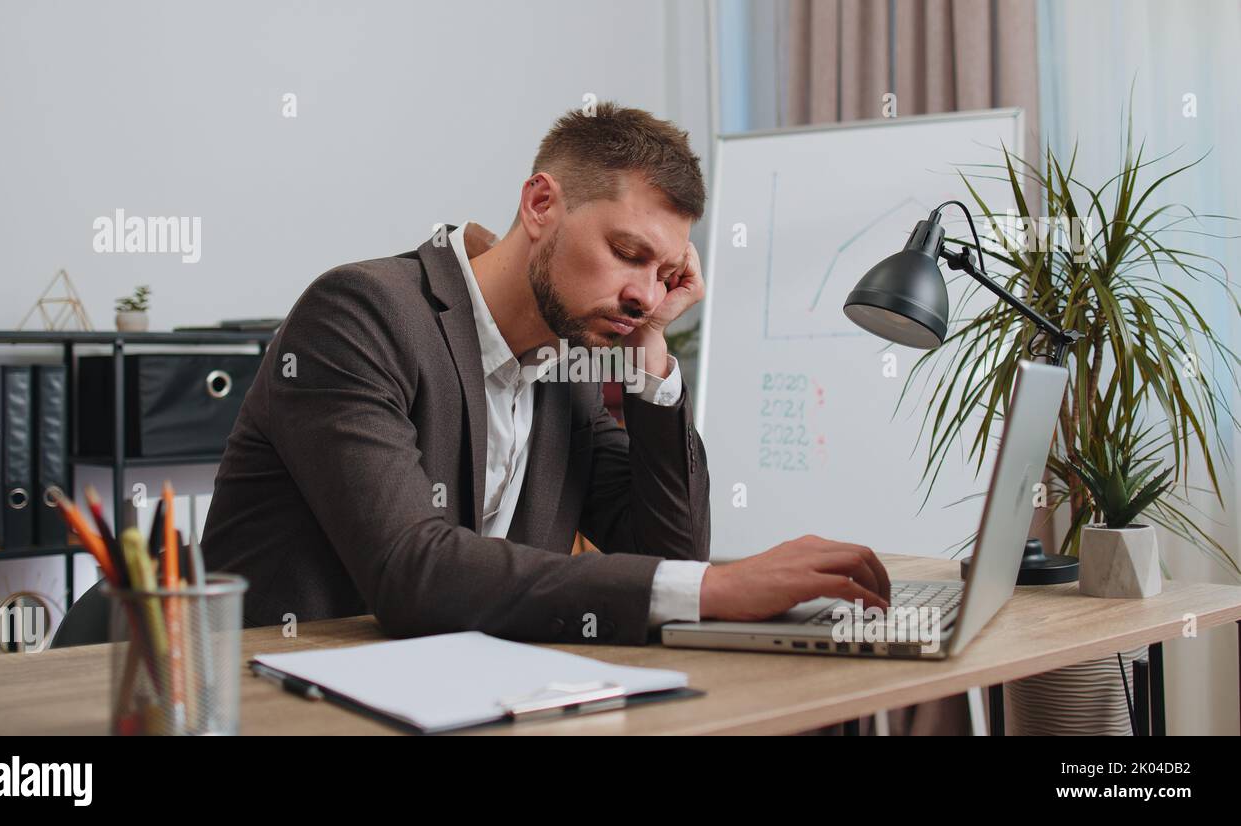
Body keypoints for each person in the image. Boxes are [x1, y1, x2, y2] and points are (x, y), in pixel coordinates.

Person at [201, 102, 890, 644]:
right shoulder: (361, 315)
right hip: (288, 706)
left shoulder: (570, 365)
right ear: (540, 205)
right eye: (627, 253)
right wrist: (719, 589)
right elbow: (413, 572)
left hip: (469, 694)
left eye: (666, 272)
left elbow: (667, 551)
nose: (646, 294)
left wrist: (650, 350)